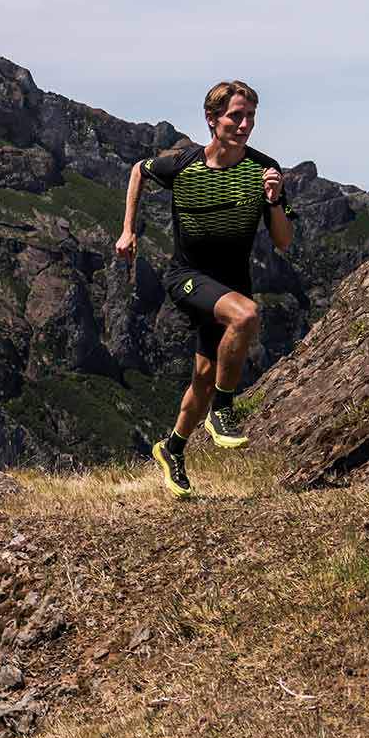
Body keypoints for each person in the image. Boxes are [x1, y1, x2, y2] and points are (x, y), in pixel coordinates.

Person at [116, 80, 293, 498]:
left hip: (230, 285)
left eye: (250, 116)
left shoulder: (264, 170)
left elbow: (283, 241)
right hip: (189, 278)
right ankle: (223, 411)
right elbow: (138, 171)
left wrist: (273, 200)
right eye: (235, 116)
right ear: (212, 120)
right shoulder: (183, 164)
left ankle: (172, 449)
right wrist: (128, 230)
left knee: (204, 376)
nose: (245, 124)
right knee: (246, 314)